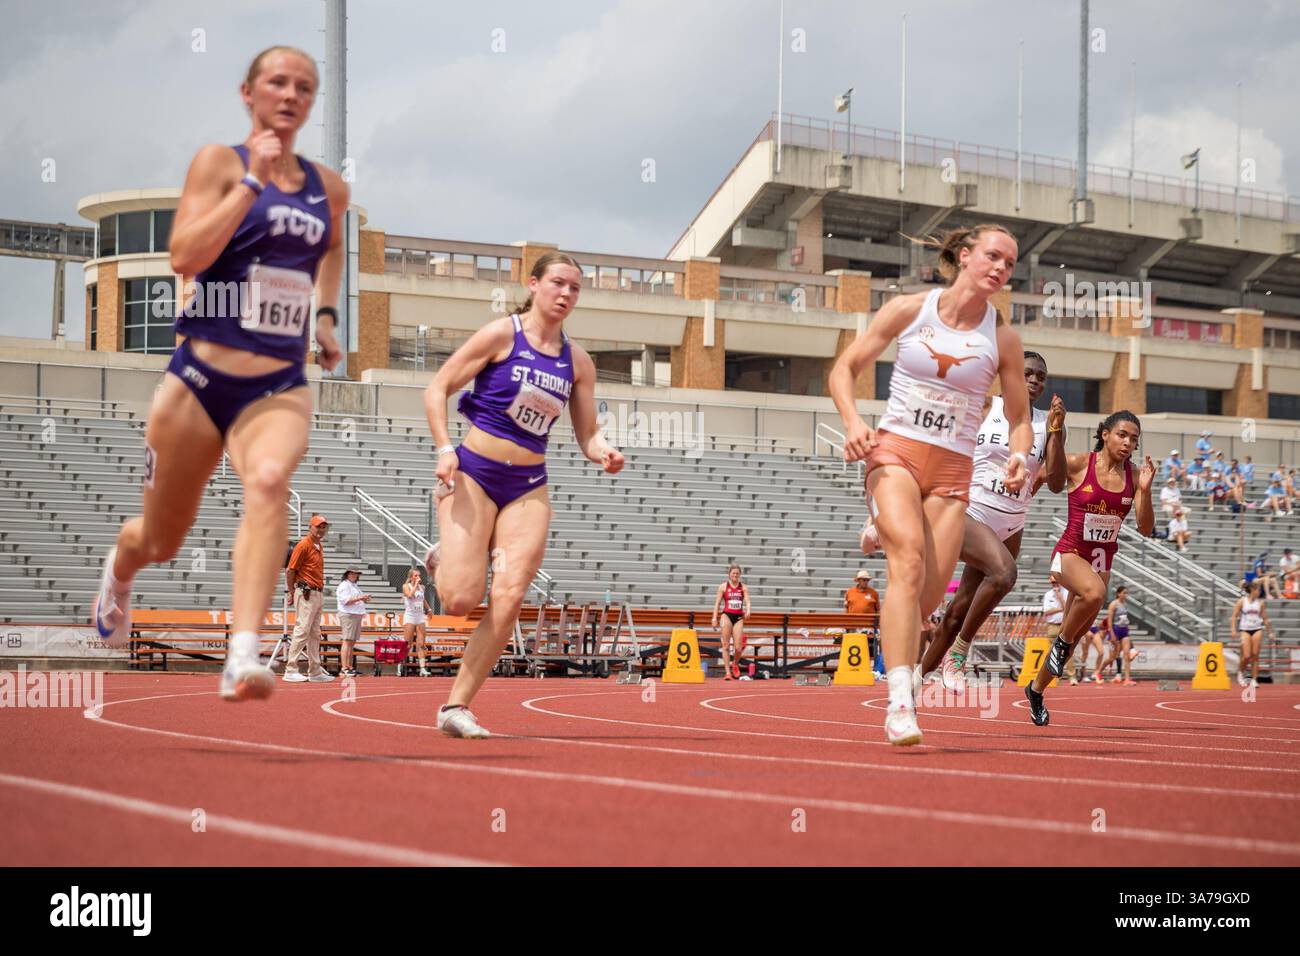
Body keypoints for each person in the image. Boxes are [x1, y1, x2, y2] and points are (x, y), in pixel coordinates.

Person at [90, 46, 347, 702]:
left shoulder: (329, 188)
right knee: (160, 540)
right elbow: (184, 254)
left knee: (268, 481)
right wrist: (253, 184)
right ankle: (118, 574)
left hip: (278, 385)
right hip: (199, 377)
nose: (292, 95)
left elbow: (333, 247)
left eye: (305, 87)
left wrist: (323, 318)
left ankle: (243, 654)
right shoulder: (218, 163)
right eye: (278, 83)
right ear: (249, 93)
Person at [829, 223, 1032, 745]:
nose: (1000, 269)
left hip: (951, 474)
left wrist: (1017, 453)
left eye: (1009, 264)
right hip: (894, 453)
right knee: (910, 561)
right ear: (964, 256)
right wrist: (854, 422)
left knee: (920, 605)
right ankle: (901, 705)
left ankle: (884, 531)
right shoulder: (908, 310)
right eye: (992, 256)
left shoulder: (1002, 339)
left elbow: (1020, 416)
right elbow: (844, 368)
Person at [421, 251, 624, 738]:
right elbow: (437, 388)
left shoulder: (578, 362)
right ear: (533, 285)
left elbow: (587, 433)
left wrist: (603, 452)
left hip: (527, 488)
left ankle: (455, 707)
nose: (566, 294)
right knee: (459, 601)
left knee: (509, 598)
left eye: (575, 288)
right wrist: (445, 448)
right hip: (472, 474)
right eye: (558, 283)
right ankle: (444, 560)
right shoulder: (500, 334)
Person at [915, 351, 1067, 691]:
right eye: (1027, 373)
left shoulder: (1046, 422)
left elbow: (1056, 484)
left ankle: (911, 685)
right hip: (973, 511)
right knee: (1004, 574)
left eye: (1040, 377)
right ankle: (958, 655)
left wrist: (1056, 432)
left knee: (958, 612)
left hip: (1012, 523)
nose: (1033, 380)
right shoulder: (987, 407)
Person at [1025, 411, 1155, 725]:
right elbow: (1044, 474)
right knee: (1094, 596)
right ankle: (1061, 643)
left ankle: (1036, 690)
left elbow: (1146, 528)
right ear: (1105, 434)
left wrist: (1147, 491)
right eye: (1123, 435)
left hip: (1102, 559)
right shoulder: (1080, 463)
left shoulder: (1136, 477)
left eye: (1134, 439)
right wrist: (1017, 505)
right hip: (1070, 553)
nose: (1128, 443)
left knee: (1075, 634)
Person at [284, 515, 335, 683]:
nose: (321, 530)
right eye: (318, 526)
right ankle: (290, 669)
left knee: (314, 633)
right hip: (306, 592)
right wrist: (292, 592)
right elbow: (290, 570)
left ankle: (314, 670)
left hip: (316, 592)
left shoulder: (318, 545)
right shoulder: (303, 545)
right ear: (310, 527)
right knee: (302, 629)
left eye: (323, 527)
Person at [712, 564, 752, 680]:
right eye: (733, 573)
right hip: (726, 616)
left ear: (740, 575)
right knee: (725, 645)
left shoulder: (743, 587)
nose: (735, 575)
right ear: (729, 574)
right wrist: (714, 618)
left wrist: (748, 611)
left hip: (739, 617)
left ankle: (735, 662)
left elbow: (748, 602)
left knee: (738, 647)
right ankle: (727, 672)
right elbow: (717, 603)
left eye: (737, 573)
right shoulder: (723, 587)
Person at [1230, 582, 1272, 688]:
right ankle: (1240, 673)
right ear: (1253, 590)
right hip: (1245, 629)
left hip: (1257, 628)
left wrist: (1270, 632)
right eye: (1258, 590)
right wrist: (1233, 630)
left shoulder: (1260, 603)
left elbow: (1265, 618)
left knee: (1255, 655)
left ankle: (1254, 679)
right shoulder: (1242, 602)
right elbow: (1234, 616)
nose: (1259, 592)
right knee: (1246, 656)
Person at [335, 566, 369, 678]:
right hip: (349, 615)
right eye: (353, 573)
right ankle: (344, 668)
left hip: (355, 614)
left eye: (356, 574)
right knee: (347, 641)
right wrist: (361, 598)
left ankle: (348, 667)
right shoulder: (345, 585)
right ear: (347, 574)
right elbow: (345, 601)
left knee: (351, 642)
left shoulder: (353, 585)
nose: (355, 575)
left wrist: (362, 598)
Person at [1105, 586, 1137, 685]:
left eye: (1126, 593)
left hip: (1124, 631)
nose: (1125, 595)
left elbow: (1125, 618)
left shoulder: (1125, 605)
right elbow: (1109, 619)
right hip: (1115, 630)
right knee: (1113, 656)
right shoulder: (1113, 604)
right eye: (1124, 592)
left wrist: (1127, 627)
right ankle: (1098, 671)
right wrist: (1111, 633)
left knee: (1126, 655)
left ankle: (1127, 679)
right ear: (1118, 594)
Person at [402, 567, 431, 677]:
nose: (418, 577)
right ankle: (402, 664)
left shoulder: (422, 587)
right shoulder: (406, 586)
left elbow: (422, 600)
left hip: (420, 616)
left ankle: (422, 668)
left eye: (419, 575)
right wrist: (415, 585)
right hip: (410, 616)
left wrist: (429, 609)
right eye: (416, 576)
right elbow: (410, 595)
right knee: (408, 644)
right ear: (411, 577)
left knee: (421, 643)